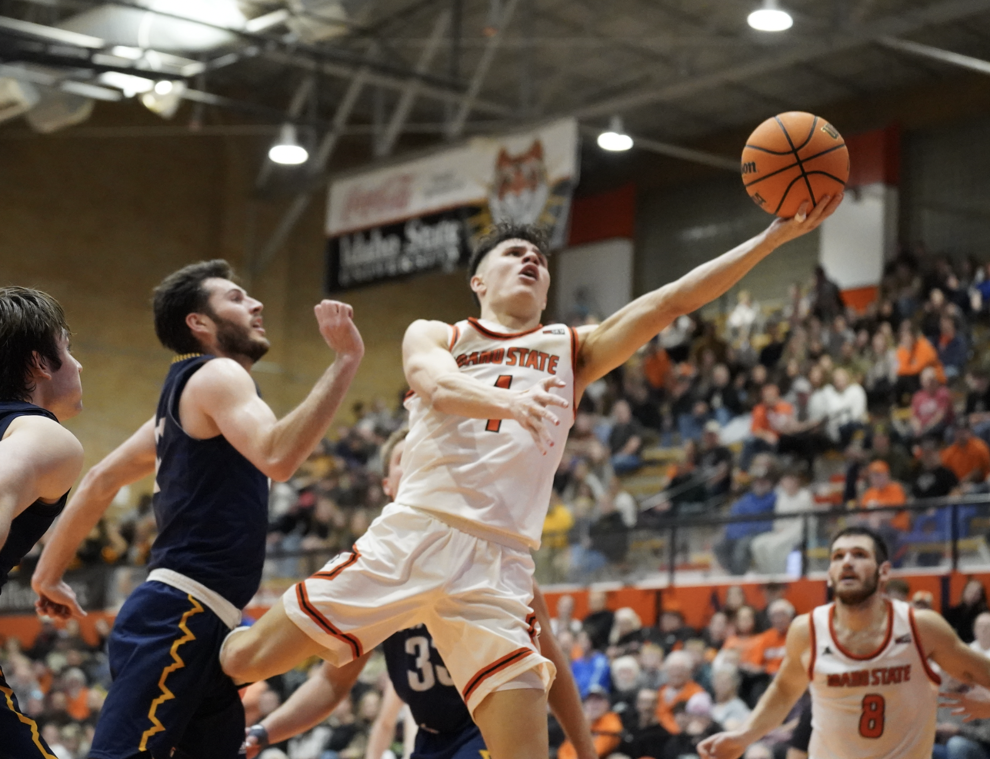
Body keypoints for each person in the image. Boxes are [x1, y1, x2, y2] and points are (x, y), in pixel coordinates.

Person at [220, 202, 841, 759]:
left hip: (499, 566)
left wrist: (769, 240)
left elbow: (670, 301)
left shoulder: (571, 347)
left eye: (539, 259)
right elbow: (431, 381)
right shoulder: (443, 333)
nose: (531, 259)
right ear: (479, 281)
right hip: (415, 534)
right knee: (243, 659)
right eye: (514, 253)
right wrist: (505, 401)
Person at [31, 260, 364, 759]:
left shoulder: (183, 396)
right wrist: (344, 362)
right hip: (181, 612)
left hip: (205, 620)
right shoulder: (218, 375)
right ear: (199, 323)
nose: (255, 304)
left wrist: (49, 573)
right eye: (235, 297)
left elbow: (102, 480)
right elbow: (278, 456)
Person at [244, 429, 595, 759]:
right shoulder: (375, 570)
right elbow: (331, 684)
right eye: (403, 458)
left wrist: (585, 752)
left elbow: (554, 670)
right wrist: (261, 732)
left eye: (423, 453)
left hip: (485, 730)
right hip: (432, 737)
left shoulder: (490, 556)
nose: (415, 461)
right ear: (387, 485)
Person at [698, 526, 990, 759]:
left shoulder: (920, 627)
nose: (847, 562)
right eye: (838, 557)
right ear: (829, 576)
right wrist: (745, 735)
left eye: (859, 554)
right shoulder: (807, 629)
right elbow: (785, 691)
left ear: (884, 572)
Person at [0, 287, 85, 759]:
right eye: (68, 349)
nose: (78, 366)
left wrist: (47, 575)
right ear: (39, 363)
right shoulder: (40, 432)